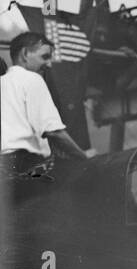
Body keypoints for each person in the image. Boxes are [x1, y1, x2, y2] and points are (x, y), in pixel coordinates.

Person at [1, 32, 92, 177]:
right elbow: (54, 132)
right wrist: (85, 158)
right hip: (28, 166)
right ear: (25, 54)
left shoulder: (3, 82)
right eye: (45, 56)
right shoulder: (32, 79)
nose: (49, 64)